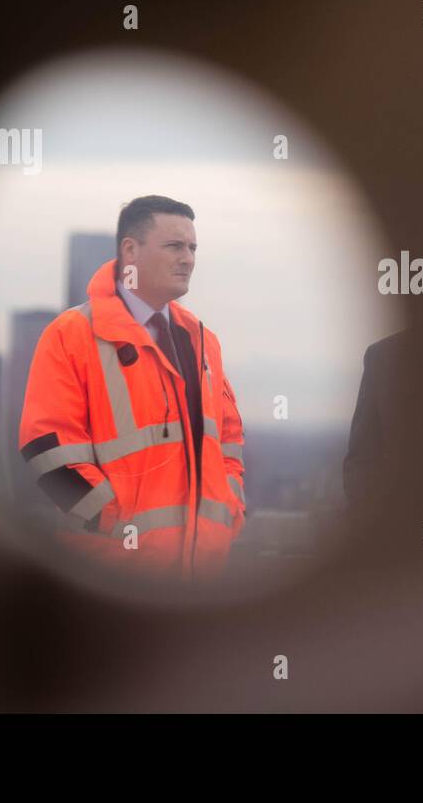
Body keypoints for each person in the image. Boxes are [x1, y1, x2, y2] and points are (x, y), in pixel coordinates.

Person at [17, 195, 247, 581]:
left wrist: (228, 514)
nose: (188, 258)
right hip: (109, 578)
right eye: (174, 246)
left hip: (199, 579)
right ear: (130, 251)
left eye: (192, 248)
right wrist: (114, 521)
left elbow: (229, 440)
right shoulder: (72, 336)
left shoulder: (203, 342)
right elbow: (46, 451)